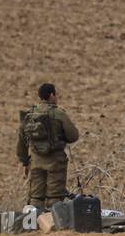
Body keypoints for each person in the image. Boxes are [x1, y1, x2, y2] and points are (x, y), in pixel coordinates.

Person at [16, 82, 80, 210]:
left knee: (36, 197)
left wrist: (25, 161)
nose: (57, 98)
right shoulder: (59, 114)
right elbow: (73, 136)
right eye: (56, 95)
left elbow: (22, 141)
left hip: (35, 162)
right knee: (54, 197)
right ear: (51, 95)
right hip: (55, 162)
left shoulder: (29, 115)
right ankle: (54, 227)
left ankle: (35, 227)